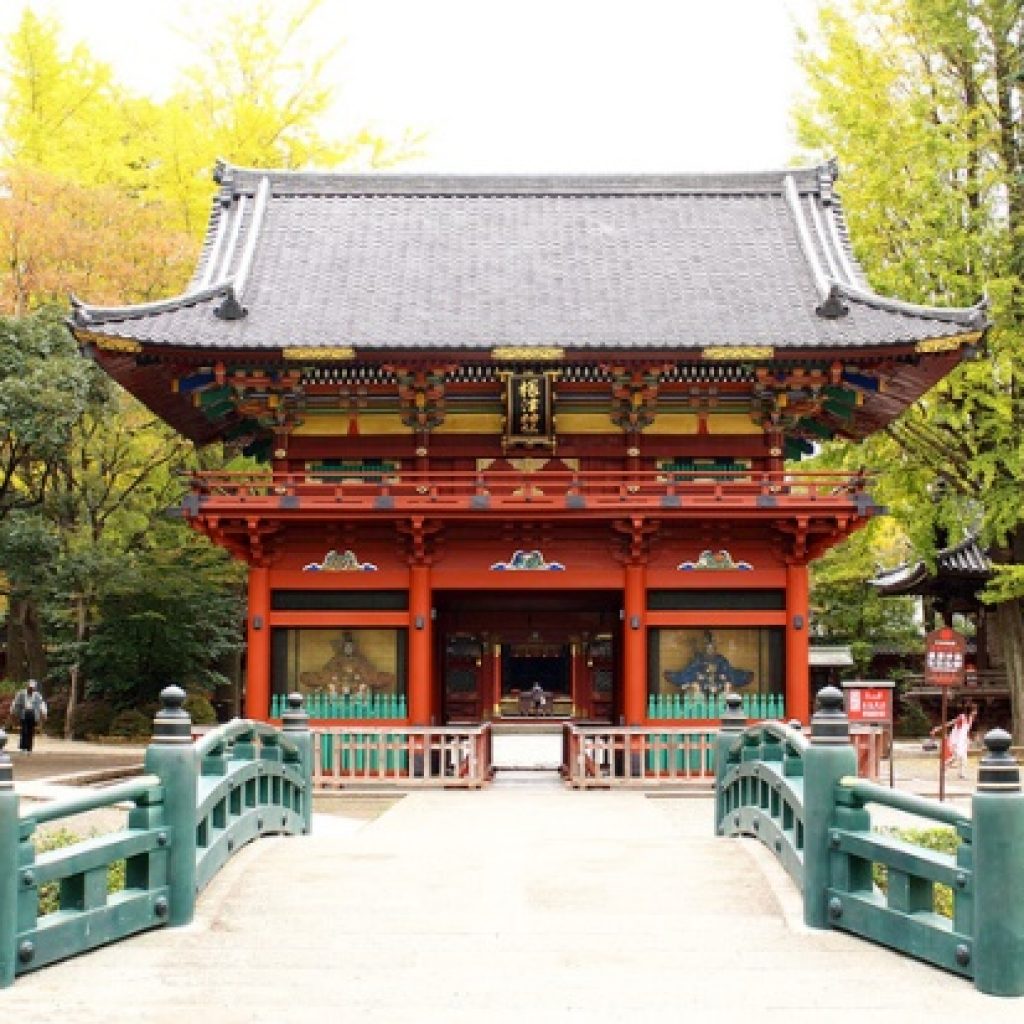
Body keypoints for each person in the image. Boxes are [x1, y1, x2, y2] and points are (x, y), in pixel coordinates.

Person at [931, 704, 977, 780]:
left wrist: (969, 739)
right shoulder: (962, 717)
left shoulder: (971, 719)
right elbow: (950, 723)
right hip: (956, 740)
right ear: (970, 711)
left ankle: (960, 774)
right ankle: (944, 768)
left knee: (963, 758)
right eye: (974, 711)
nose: (976, 712)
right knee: (958, 756)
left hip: (963, 740)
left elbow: (966, 730)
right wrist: (938, 728)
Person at [12, 680, 47, 754]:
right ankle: (23, 747)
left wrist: (44, 713)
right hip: (24, 713)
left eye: (32, 688)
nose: (31, 689)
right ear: (27, 686)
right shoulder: (21, 693)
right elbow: (15, 703)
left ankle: (29, 748)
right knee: (24, 730)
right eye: (30, 687)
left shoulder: (37, 695)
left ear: (34, 688)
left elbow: (42, 704)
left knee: (31, 731)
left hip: (33, 714)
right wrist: (13, 712)